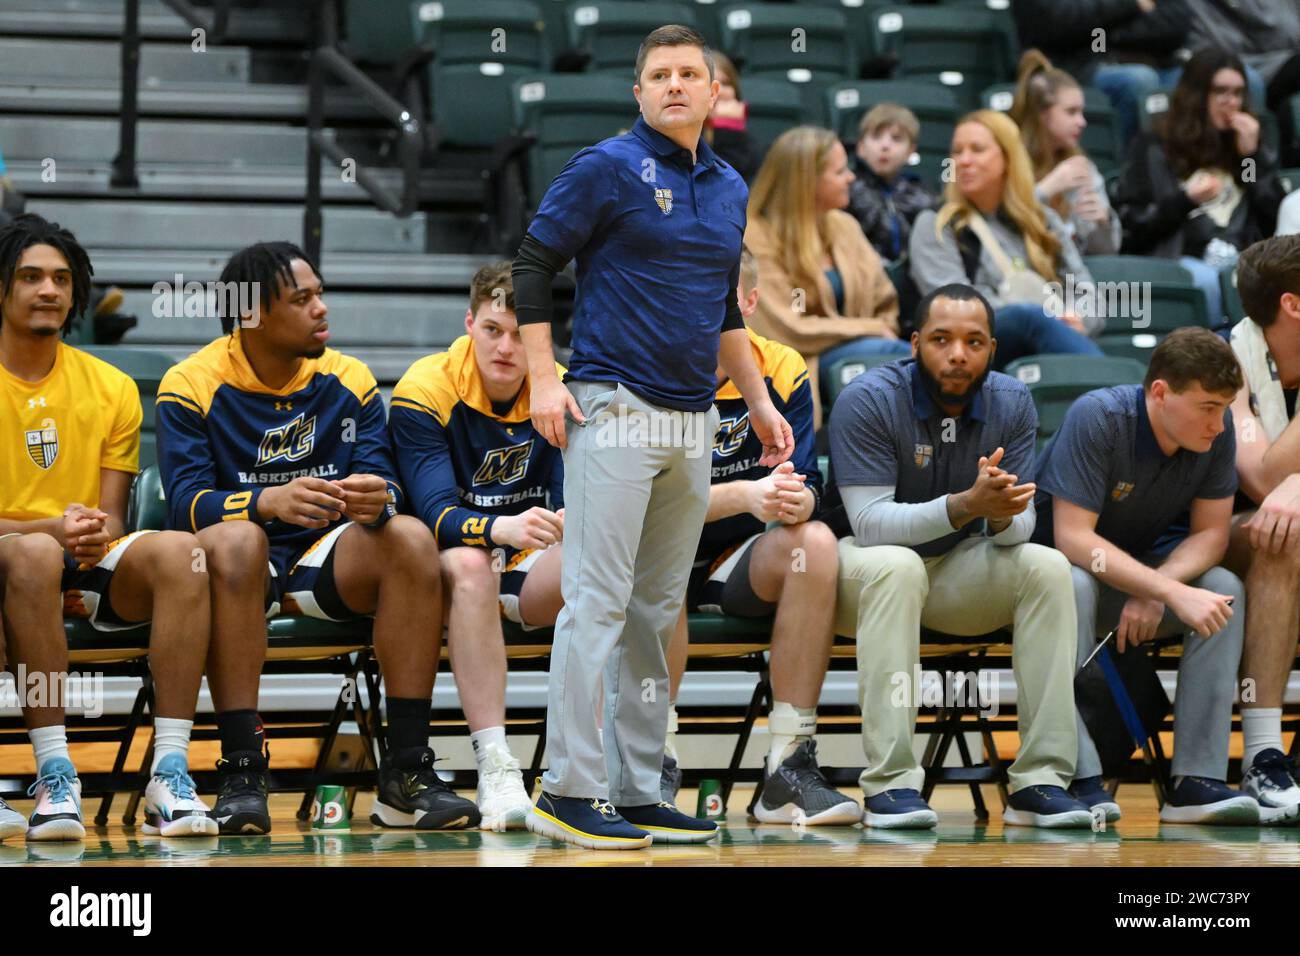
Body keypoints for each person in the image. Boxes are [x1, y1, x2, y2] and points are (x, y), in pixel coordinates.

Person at [511, 24, 793, 850]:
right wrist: (543, 375)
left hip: (694, 416)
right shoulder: (604, 167)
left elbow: (724, 309)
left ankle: (636, 788)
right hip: (615, 404)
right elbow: (532, 263)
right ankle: (567, 787)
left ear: (714, 95)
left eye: (688, 75)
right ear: (638, 93)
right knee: (594, 603)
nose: (674, 85)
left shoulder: (732, 186)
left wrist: (762, 400)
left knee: (655, 608)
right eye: (658, 75)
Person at [156, 241, 480, 835]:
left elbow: (392, 488)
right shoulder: (191, 383)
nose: (321, 308)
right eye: (301, 299)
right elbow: (182, 506)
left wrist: (377, 498)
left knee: (408, 537)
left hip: (325, 559)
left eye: (320, 293)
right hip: (235, 565)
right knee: (237, 541)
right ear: (252, 314)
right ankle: (243, 769)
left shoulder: (349, 379)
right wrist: (263, 501)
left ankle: (406, 772)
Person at [830, 282, 1091, 829]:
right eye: (942, 340)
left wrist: (996, 512)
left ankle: (1040, 780)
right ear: (915, 343)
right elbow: (871, 524)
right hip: (860, 575)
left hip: (950, 574)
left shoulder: (1012, 400)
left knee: (1046, 566)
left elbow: (1018, 529)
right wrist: (965, 504)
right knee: (898, 566)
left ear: (993, 350)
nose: (957, 354)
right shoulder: (870, 398)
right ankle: (891, 785)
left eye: (974, 342)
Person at [0, 213, 214, 841]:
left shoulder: (113, 387)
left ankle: (170, 772)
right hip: (17, 560)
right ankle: (54, 775)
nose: (50, 290)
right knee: (35, 558)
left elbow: (111, 517)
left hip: (72, 563)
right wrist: (47, 534)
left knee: (183, 552)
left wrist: (88, 538)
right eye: (31, 276)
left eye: (62, 279)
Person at [660, 247, 859, 825]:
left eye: (719, 296)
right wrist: (746, 494)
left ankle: (788, 765)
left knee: (815, 543)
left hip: (739, 557)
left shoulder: (785, 367)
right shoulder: (648, 370)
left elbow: (810, 480)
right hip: (657, 549)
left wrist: (802, 499)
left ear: (748, 301)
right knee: (660, 554)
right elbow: (644, 506)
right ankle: (654, 759)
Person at [1035, 327, 1261, 825]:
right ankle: (1079, 777)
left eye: (1225, 407)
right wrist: (1159, 588)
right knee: (1068, 583)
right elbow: (1073, 539)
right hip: (1057, 578)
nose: (1219, 424)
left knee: (1224, 589)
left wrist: (1160, 589)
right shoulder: (1100, 417)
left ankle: (1195, 781)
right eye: (1207, 407)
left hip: (1136, 577)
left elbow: (1212, 537)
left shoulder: (1213, 438)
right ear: (1160, 393)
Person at [389, 261, 562, 830]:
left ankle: (591, 767)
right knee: (470, 563)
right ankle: (496, 765)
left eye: (520, 334)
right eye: (493, 330)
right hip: (449, 564)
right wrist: (499, 530)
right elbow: (435, 513)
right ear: (470, 323)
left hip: (530, 563)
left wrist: (560, 528)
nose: (507, 347)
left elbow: (571, 510)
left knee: (606, 562)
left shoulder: (558, 386)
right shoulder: (425, 387)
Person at [909, 110, 1105, 372]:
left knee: (1036, 320)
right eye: (957, 151)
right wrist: (1049, 319)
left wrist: (1078, 320)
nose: (964, 160)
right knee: (1027, 317)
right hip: (971, 348)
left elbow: (1087, 293)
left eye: (977, 150)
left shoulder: (1042, 220)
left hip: (1046, 335)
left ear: (1008, 159)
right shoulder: (937, 223)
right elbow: (956, 310)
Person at [744, 125, 910, 422]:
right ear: (807, 182)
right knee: (901, 356)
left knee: (898, 356)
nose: (851, 177)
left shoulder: (844, 225)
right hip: (798, 361)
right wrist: (866, 328)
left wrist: (875, 327)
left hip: (858, 351)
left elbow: (885, 300)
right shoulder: (756, 234)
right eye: (839, 171)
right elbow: (786, 328)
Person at [1114, 48, 1287, 325]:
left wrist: (1252, 159)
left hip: (1243, 261)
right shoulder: (1155, 147)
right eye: (1221, 92)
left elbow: (1277, 223)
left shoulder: (1247, 151)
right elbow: (1131, 227)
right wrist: (1185, 200)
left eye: (1238, 93)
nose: (1231, 102)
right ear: (1197, 96)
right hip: (1183, 263)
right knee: (1206, 279)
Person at [1225, 234, 1300, 819]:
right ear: (1293, 305)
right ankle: (1263, 755)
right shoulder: (1229, 360)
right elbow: (1259, 478)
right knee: (1280, 532)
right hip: (1217, 535)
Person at [1011, 0, 1189, 143]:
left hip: (1127, 57)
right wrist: (1130, 5)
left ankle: (1171, 171)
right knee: (1138, 80)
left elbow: (1177, 22)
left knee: (1187, 77)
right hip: (1067, 69)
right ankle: (1130, 171)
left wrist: (1112, 26)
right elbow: (1060, 22)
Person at [1010, 49, 1121, 256]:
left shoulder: (1081, 167)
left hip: (1076, 282)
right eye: (1071, 112)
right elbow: (1002, 227)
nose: (1082, 122)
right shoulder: (1009, 160)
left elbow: (1108, 253)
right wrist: (1049, 187)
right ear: (1042, 115)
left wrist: (1102, 223)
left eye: (1082, 112)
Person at [847, 103, 939, 263]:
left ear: (911, 150)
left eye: (896, 139)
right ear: (861, 147)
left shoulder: (923, 197)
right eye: (876, 137)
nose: (885, 146)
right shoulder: (848, 191)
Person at [703, 51, 760, 183]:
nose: (720, 91)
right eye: (711, 83)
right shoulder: (680, 140)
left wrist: (728, 128)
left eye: (726, 83)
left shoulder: (748, 143)